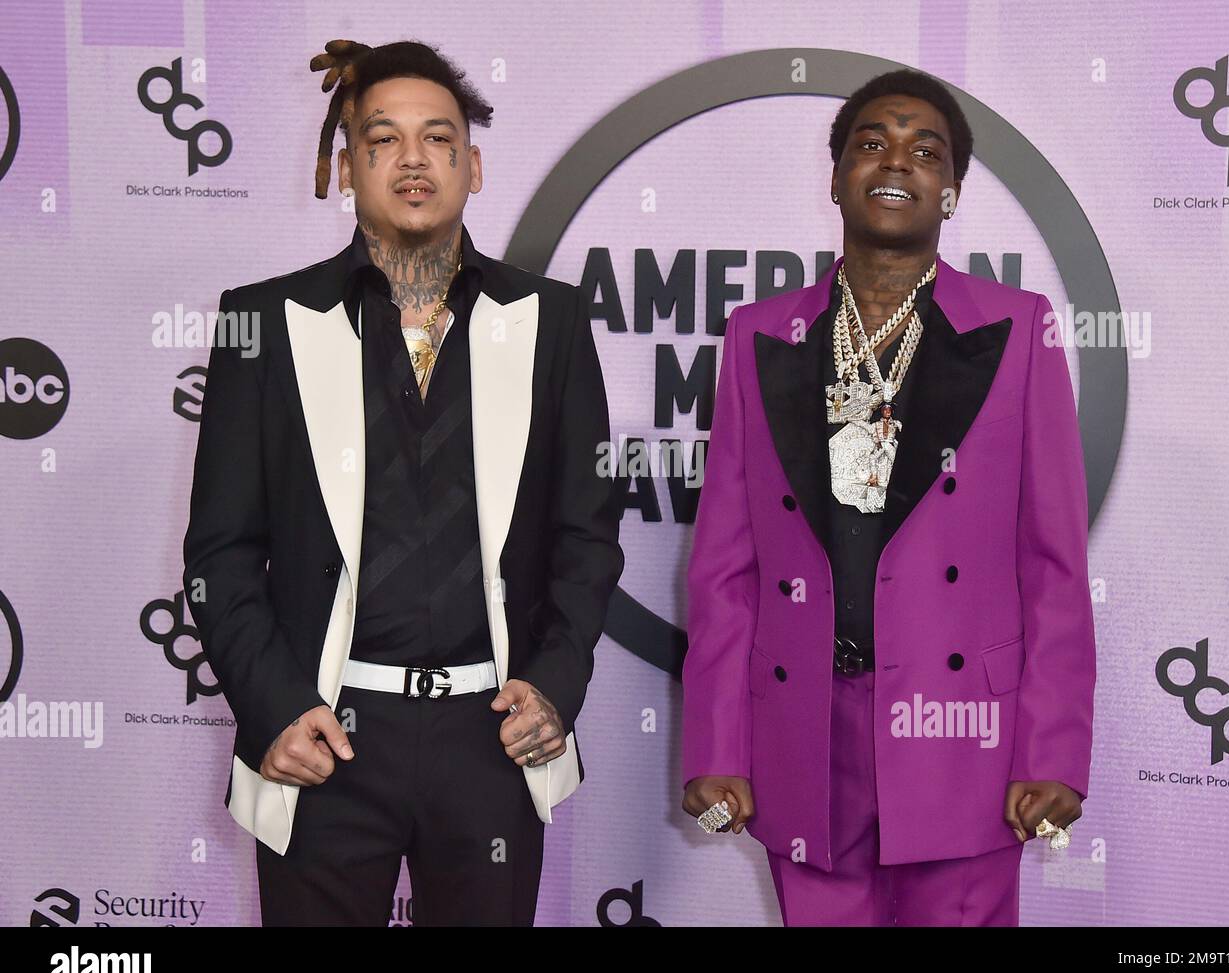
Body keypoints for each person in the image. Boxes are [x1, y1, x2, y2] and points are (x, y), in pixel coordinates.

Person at [182, 39, 623, 926]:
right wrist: (275, 709)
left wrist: (554, 685)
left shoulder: (553, 323)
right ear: (349, 167)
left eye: (439, 139)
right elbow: (221, 553)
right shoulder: (264, 321)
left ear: (475, 165)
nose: (414, 159)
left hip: (492, 738)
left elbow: (587, 538)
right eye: (383, 140)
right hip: (325, 735)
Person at [680, 69, 1096, 926]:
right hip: (805, 729)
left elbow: (1053, 563)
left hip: (964, 740)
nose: (895, 160)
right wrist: (718, 746)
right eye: (871, 143)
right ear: (834, 177)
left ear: (951, 191)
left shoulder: (1018, 329)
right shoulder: (759, 334)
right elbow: (725, 565)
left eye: (925, 149)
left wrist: (1051, 751)